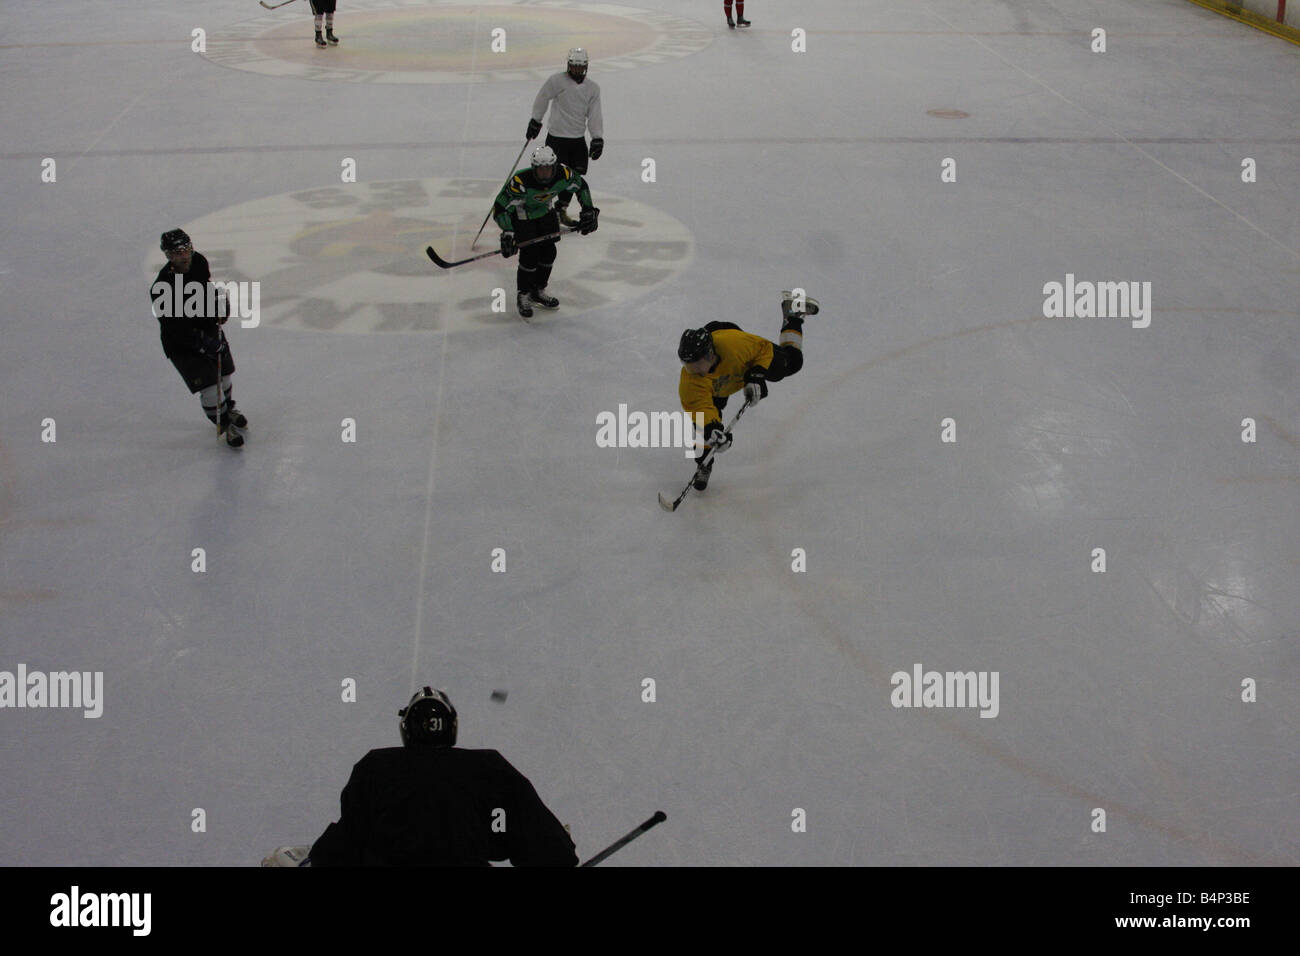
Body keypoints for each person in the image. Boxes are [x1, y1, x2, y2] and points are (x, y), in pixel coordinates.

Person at [310, 687, 578, 866]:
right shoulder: (489, 768)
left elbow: (346, 844)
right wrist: (554, 844)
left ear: (406, 730)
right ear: (452, 727)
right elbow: (547, 849)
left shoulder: (375, 768)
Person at [677, 291, 818, 490]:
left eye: (696, 364)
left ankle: (792, 316)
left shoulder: (734, 344)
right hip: (718, 388)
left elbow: (762, 349)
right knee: (704, 431)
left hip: (742, 361)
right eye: (688, 365)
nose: (694, 371)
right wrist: (712, 430)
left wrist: (756, 375)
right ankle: (704, 464)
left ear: (709, 354)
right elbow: (700, 409)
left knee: (793, 362)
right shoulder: (691, 381)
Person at [150, 229, 247, 448]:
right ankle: (221, 423)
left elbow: (207, 290)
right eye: (177, 252)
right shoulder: (162, 287)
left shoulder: (199, 262)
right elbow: (174, 328)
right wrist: (201, 343)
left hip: (207, 331)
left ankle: (228, 409)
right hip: (182, 346)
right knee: (210, 386)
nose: (184, 256)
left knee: (224, 375)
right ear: (167, 255)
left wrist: (218, 308)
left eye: (186, 249)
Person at [492, 145, 599, 319]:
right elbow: (500, 208)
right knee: (530, 255)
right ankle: (523, 293)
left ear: (554, 166)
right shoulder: (520, 182)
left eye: (548, 169)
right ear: (534, 168)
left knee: (549, 252)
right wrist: (508, 232)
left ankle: (538, 290)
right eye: (540, 169)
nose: (545, 173)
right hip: (522, 216)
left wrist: (588, 209)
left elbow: (580, 185)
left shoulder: (563, 175)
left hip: (545, 212)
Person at [526, 49, 603, 227]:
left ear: (586, 67)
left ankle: (561, 208)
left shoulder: (593, 89)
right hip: (557, 139)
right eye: (574, 67)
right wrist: (535, 120)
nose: (576, 71)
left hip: (577, 140)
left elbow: (595, 114)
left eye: (580, 67)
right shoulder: (556, 81)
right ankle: (542, 210)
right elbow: (542, 98)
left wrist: (597, 138)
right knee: (550, 177)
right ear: (568, 65)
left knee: (574, 178)